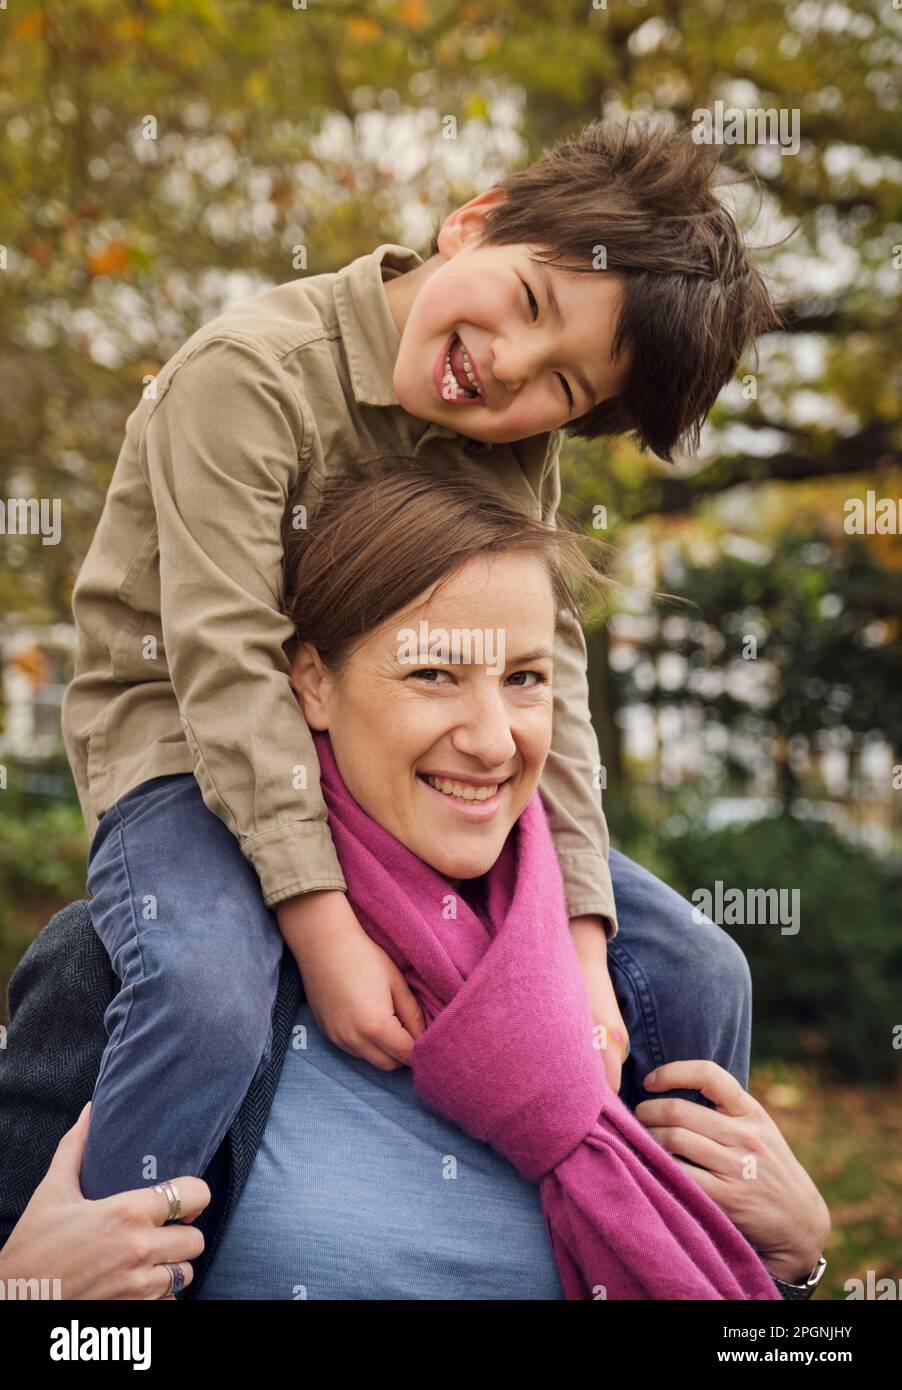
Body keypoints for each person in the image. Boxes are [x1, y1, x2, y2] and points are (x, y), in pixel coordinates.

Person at [57, 116, 784, 1203]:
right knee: (204, 988)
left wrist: (583, 942)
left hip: (406, 762)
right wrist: (321, 924)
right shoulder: (246, 376)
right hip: (191, 744)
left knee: (693, 971)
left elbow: (552, 671)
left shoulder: (511, 449)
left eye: (564, 389)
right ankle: (105, 1269)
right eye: (529, 304)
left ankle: (660, 1244)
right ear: (472, 222)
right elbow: (223, 656)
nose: (506, 370)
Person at [0, 472, 829, 1299]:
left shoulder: (627, 1001)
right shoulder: (145, 972)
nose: (494, 740)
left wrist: (793, 1268)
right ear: (313, 682)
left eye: (525, 679)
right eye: (435, 674)